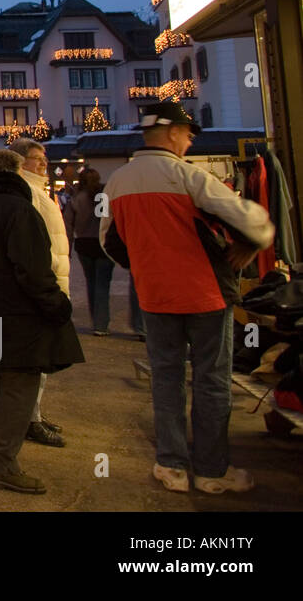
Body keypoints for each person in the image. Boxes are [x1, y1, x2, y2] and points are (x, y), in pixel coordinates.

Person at [101, 102, 274, 494]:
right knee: (212, 381)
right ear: (172, 133)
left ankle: (172, 466)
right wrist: (252, 242)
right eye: (188, 132)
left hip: (156, 296)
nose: (191, 139)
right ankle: (212, 470)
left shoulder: (118, 182)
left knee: (166, 380)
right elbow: (249, 218)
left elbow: (110, 243)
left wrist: (148, 266)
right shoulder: (188, 176)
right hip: (205, 294)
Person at [0, 150, 84, 495]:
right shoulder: (20, 210)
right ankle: (1, 463)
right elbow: (32, 270)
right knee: (18, 388)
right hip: (15, 317)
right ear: (15, 174)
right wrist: (56, 305)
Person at [9, 138, 71, 447]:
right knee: (35, 360)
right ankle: (29, 419)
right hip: (42, 287)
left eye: (44, 158)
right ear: (21, 162)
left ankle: (34, 413)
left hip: (50, 282)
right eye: (37, 158)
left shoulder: (39, 191)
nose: (43, 163)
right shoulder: (27, 192)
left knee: (41, 359)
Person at [63, 167, 114, 337]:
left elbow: (68, 225)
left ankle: (97, 322)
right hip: (102, 243)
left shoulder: (76, 199)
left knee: (91, 282)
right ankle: (101, 323)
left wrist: (67, 248)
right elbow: (107, 221)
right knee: (102, 284)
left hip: (83, 244)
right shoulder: (103, 197)